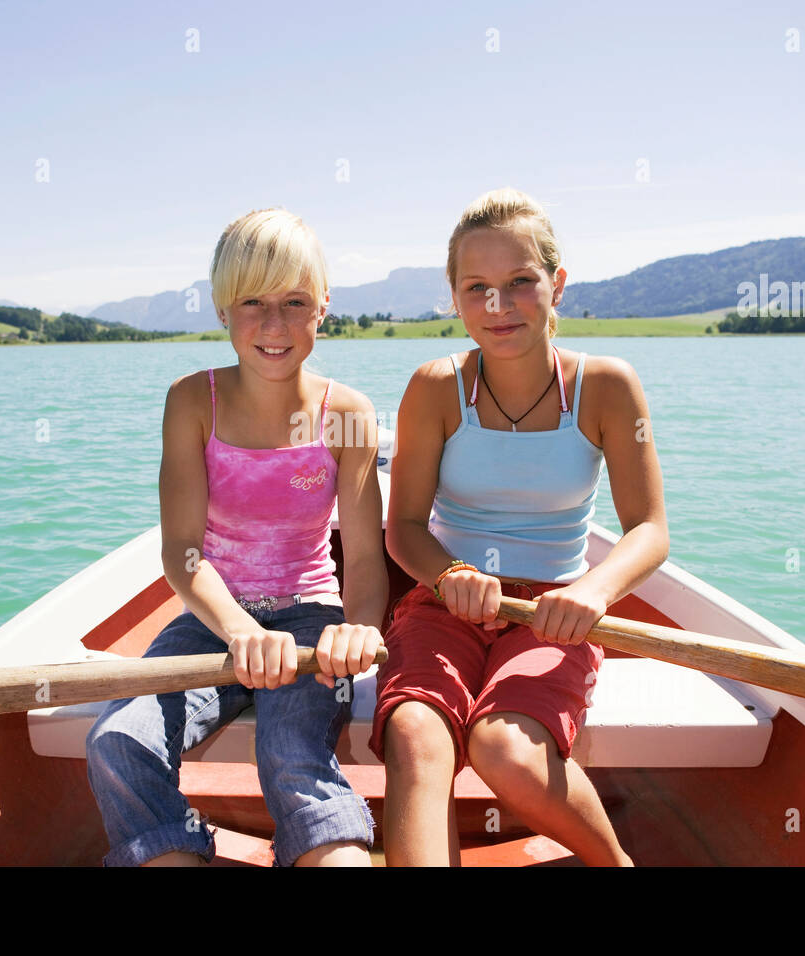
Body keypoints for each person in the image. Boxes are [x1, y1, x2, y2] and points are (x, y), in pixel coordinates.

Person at [374, 188, 669, 866]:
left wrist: (592, 593)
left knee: (502, 746)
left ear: (557, 284)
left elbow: (650, 529)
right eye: (477, 288)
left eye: (519, 283)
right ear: (454, 296)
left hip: (555, 613)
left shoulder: (607, 386)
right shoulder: (434, 386)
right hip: (445, 601)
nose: (497, 307)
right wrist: (451, 575)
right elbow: (406, 529)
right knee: (417, 734)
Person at [86, 208, 387, 867]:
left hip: (311, 625)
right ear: (223, 308)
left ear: (324, 308)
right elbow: (183, 554)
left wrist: (358, 628)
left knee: (290, 751)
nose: (273, 325)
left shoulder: (348, 414)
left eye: (294, 302)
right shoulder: (194, 401)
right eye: (252, 302)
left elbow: (364, 559)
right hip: (210, 620)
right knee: (118, 740)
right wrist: (239, 632)